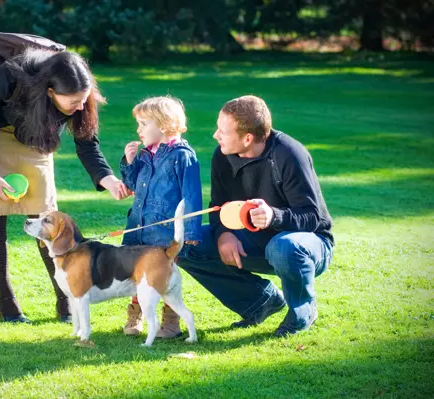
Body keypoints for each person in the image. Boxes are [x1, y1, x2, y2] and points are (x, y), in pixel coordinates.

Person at [0, 33, 129, 323]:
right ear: (50, 91)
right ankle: (7, 302)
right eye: (74, 101)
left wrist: (107, 178)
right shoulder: (9, 77)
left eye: (84, 99)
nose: (81, 105)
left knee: (45, 214)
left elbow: (87, 142)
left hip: (34, 132)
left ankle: (64, 299)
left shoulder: (78, 94)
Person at [177, 95, 334, 337]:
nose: (215, 135)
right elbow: (217, 206)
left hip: (307, 246)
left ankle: (302, 312)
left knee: (283, 246)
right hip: (256, 241)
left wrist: (274, 216)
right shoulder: (222, 155)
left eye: (222, 131)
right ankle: (261, 303)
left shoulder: (290, 154)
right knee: (185, 245)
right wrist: (224, 235)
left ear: (247, 138)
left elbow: (313, 217)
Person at [120, 96, 203, 339]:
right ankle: (135, 316)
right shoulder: (145, 154)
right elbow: (132, 184)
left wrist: (191, 232)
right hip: (139, 228)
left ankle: (170, 322)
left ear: (164, 125)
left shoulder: (183, 156)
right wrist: (129, 162)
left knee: (164, 278)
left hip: (164, 233)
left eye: (144, 124)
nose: (139, 130)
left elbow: (192, 197)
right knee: (138, 276)